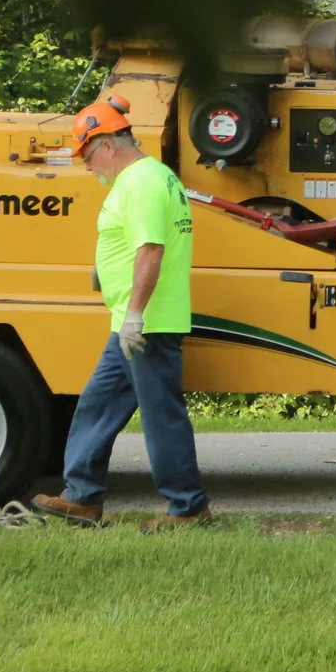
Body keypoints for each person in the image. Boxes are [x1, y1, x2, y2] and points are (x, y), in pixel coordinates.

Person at [33, 96, 210, 530]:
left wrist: (134, 316)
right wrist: (108, 272)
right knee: (97, 405)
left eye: (88, 155)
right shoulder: (154, 177)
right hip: (129, 323)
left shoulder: (140, 182)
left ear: (109, 144)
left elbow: (151, 249)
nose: (87, 165)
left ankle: (188, 507)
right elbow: (137, 243)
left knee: (161, 415)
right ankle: (83, 498)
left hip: (146, 324)